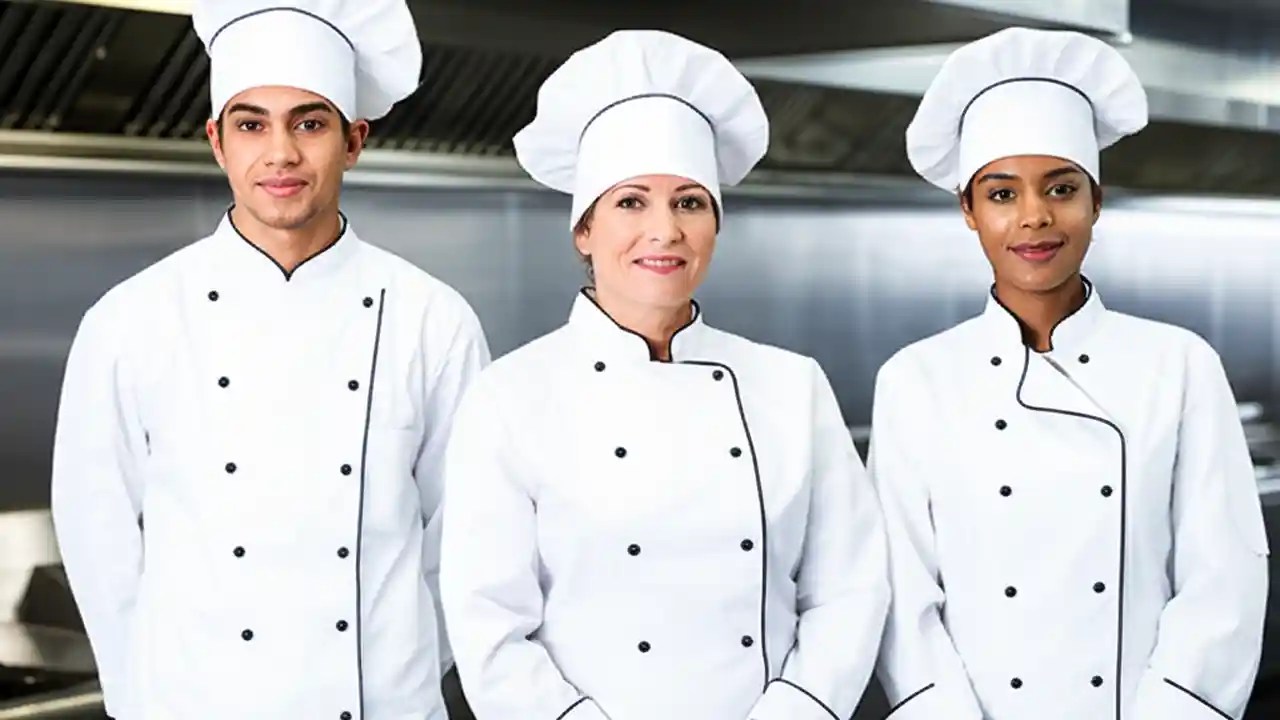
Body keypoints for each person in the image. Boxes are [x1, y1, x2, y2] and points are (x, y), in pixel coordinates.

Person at [49, 1, 490, 717]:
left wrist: (396, 675)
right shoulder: (131, 323)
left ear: (354, 140)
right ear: (217, 142)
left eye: (309, 124)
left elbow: (464, 543)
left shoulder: (434, 323)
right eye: (252, 124)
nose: (280, 153)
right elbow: (101, 548)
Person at [438, 29, 888, 720]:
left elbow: (850, 590)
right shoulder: (510, 398)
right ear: (583, 230)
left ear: (715, 223)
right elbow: (489, 627)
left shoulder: (792, 388)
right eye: (630, 201)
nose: (664, 229)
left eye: (689, 202)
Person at [870, 26, 1269, 720]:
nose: (1034, 218)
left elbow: (1223, 583)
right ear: (968, 211)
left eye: (1060, 188)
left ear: (1095, 202)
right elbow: (902, 596)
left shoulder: (1178, 366)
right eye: (1001, 194)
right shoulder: (916, 380)